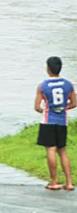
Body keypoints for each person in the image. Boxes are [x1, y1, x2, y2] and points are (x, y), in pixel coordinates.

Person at [34, 56, 76, 191]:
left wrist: (45, 110)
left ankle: (53, 182)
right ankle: (69, 183)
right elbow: (74, 103)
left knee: (50, 150)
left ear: (48, 69)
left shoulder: (43, 86)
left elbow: (37, 107)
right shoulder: (68, 84)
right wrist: (63, 108)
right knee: (62, 151)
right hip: (62, 121)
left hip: (48, 121)